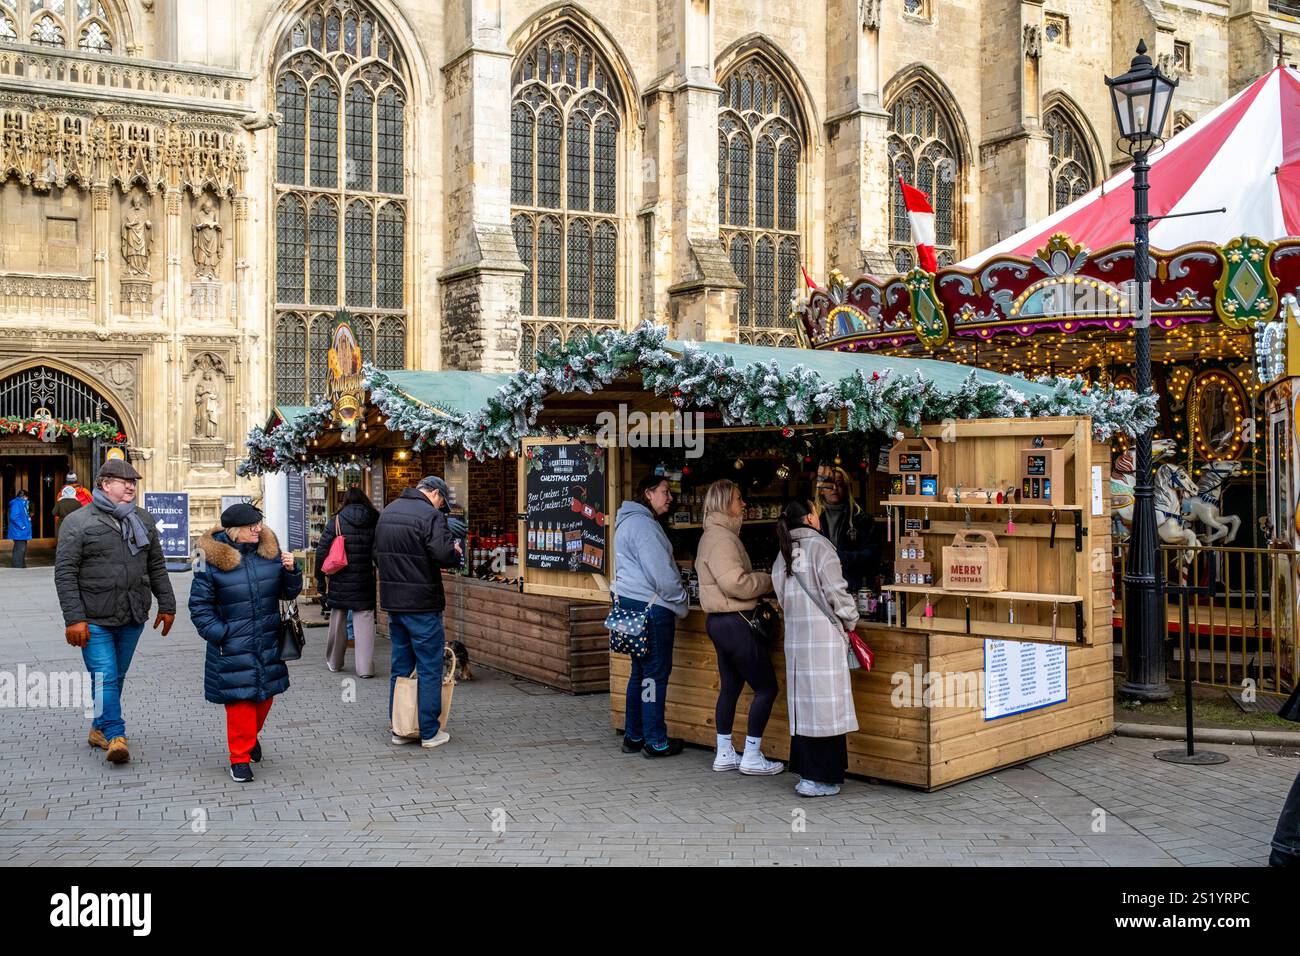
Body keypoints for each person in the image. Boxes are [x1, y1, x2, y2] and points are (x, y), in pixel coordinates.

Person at [53, 459, 176, 765]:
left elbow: (156, 565)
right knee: (105, 677)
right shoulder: (79, 522)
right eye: (125, 481)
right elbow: (65, 573)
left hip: (133, 614)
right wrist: (74, 619)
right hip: (94, 617)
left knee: (115, 677)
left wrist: (168, 604)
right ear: (105, 485)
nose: (131, 486)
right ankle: (116, 736)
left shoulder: (143, 519)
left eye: (134, 481)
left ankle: (98, 727)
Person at [189, 503, 302, 783]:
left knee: (265, 696)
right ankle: (239, 759)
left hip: (267, 638)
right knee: (240, 701)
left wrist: (291, 571)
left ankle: (250, 738)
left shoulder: (270, 552)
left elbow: (288, 592)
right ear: (234, 530)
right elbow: (199, 605)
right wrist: (220, 633)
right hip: (233, 643)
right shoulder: (209, 559)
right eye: (252, 525)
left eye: (259, 523)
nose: (258, 528)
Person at [770, 499, 859, 797]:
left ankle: (807, 775)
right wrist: (851, 618)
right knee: (827, 709)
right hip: (824, 639)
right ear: (810, 518)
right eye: (816, 512)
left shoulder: (783, 553)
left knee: (805, 707)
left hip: (797, 640)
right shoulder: (821, 548)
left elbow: (782, 597)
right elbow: (837, 591)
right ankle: (822, 777)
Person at [695, 479, 783, 775]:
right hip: (736, 621)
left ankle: (725, 752)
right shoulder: (721, 538)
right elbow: (735, 582)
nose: (743, 504)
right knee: (767, 688)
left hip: (722, 622)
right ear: (724, 504)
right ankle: (752, 755)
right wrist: (768, 579)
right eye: (738, 499)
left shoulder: (716, 535)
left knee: (730, 688)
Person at [373, 475, 462, 749]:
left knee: (400, 666)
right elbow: (444, 555)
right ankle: (429, 731)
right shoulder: (430, 516)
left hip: (394, 603)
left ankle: (400, 728)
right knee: (429, 666)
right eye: (441, 501)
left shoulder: (388, 512)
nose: (440, 507)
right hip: (422, 603)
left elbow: (376, 554)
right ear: (433, 493)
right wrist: (455, 550)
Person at [612, 474, 689, 758]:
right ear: (648, 493)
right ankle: (656, 740)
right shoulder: (644, 526)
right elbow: (662, 575)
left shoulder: (626, 522)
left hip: (631, 606)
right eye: (665, 492)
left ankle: (634, 735)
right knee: (653, 676)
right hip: (652, 609)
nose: (670, 498)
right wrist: (681, 599)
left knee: (640, 673)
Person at [315, 487, 379, 677]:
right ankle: (365, 669)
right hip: (364, 579)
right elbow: (378, 551)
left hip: (340, 578)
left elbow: (321, 551)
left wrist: (320, 580)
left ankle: (335, 662)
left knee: (338, 619)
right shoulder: (374, 519)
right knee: (365, 620)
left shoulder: (337, 520)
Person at [814, 463, 877, 593]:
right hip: (820, 587)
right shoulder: (813, 520)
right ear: (821, 489)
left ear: (846, 488)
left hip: (853, 588)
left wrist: (842, 557)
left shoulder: (861, 519)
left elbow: (872, 554)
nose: (835, 488)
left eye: (839, 484)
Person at [8, 488, 31, 568]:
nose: (27, 498)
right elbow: (14, 517)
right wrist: (22, 526)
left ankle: (20, 565)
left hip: (21, 531)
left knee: (21, 549)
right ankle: (17, 566)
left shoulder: (22, 503)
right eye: (26, 497)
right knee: (19, 549)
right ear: (23, 496)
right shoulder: (17, 503)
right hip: (19, 531)